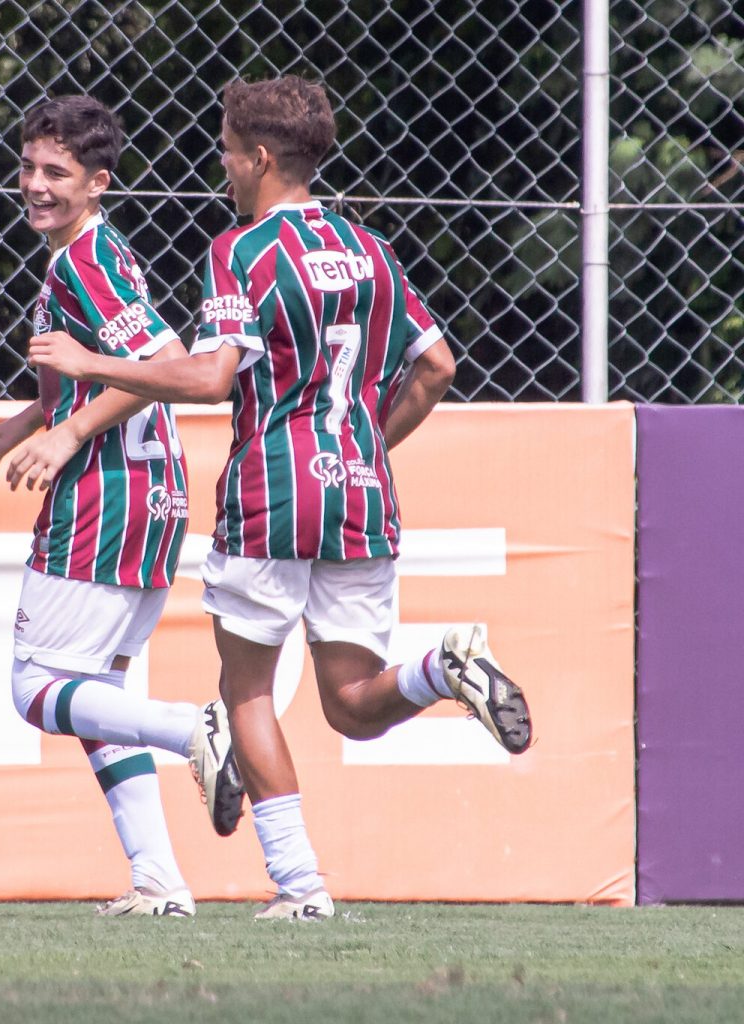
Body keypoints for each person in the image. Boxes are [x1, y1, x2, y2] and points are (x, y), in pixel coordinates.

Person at [27, 76, 533, 921]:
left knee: (247, 693)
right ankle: (441, 669)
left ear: (260, 158)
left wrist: (89, 363)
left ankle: (300, 888)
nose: (222, 166)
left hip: (273, 491)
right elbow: (439, 365)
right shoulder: (372, 248)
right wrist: (365, 445)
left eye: (228, 152)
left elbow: (210, 377)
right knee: (354, 704)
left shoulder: (243, 249)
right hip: (362, 493)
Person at [0, 95, 242, 917]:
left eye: (57, 172)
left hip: (106, 496)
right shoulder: (94, 253)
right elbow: (107, 367)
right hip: (150, 497)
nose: (35, 184)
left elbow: (165, 362)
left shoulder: (83, 261)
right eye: (28, 166)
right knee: (96, 697)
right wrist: (29, 420)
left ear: (97, 183)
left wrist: (67, 434)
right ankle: (158, 880)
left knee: (34, 689)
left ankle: (193, 730)